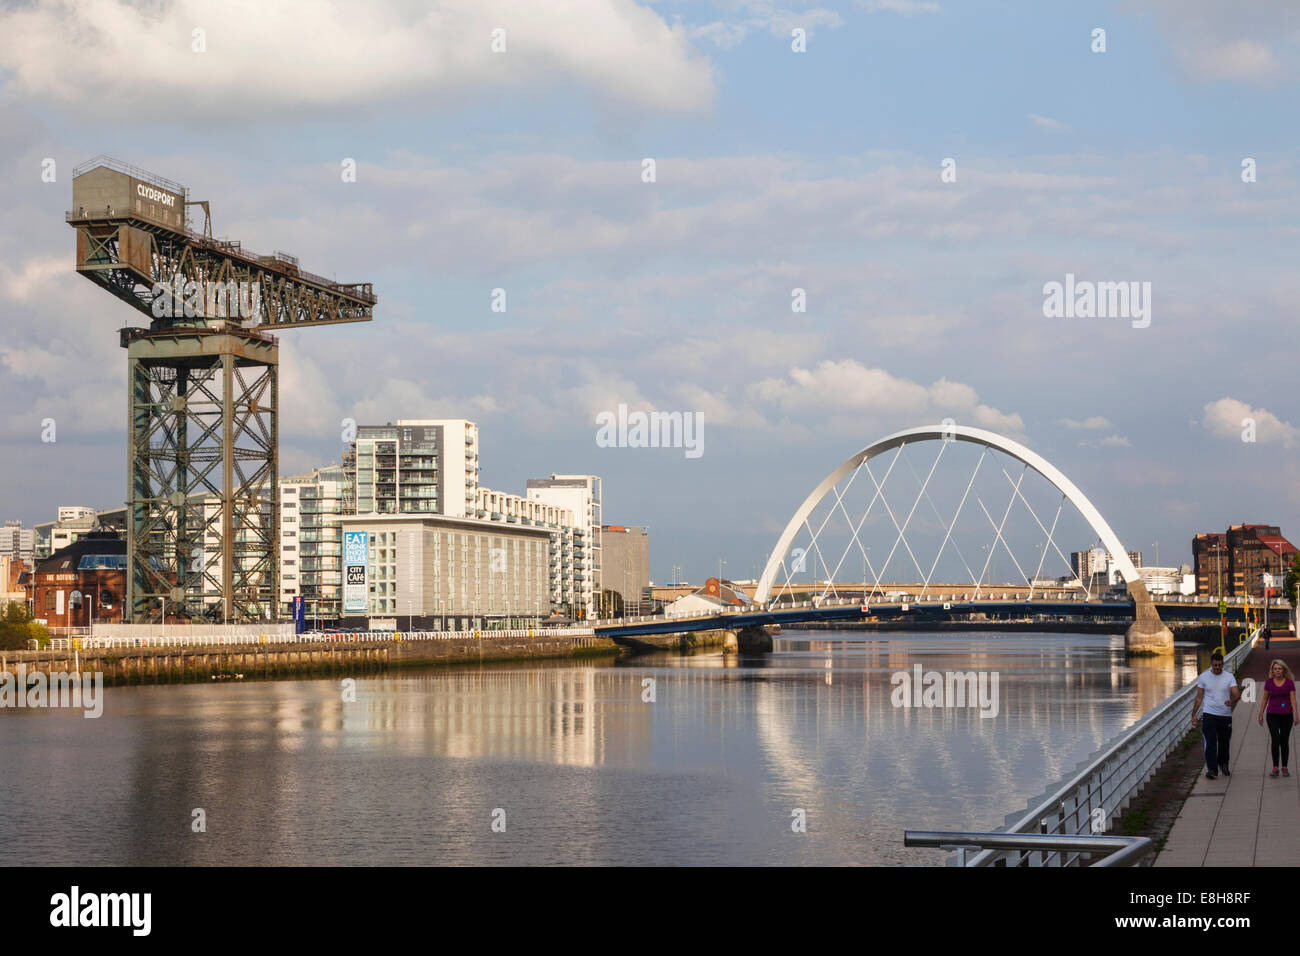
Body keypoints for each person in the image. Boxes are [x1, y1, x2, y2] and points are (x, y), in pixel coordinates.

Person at [1192, 651, 1240, 779]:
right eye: (1215, 665)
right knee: (1211, 742)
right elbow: (1199, 697)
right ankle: (1212, 769)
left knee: (1224, 742)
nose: (1217, 667)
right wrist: (1194, 715)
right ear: (1211, 664)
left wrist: (1232, 700)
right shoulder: (1203, 677)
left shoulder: (1229, 677)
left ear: (1223, 664)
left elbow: (1236, 692)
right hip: (1209, 713)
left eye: (1219, 665)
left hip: (1225, 715)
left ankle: (1223, 763)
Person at [1257, 659, 1297, 777]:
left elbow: (1293, 699)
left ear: (1283, 670)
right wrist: (1260, 713)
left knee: (1284, 740)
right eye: (1275, 669)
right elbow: (1265, 699)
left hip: (1287, 715)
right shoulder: (1269, 682)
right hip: (1272, 715)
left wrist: (1295, 714)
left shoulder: (1289, 682)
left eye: (1279, 668)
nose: (1277, 671)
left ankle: (1284, 767)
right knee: (1275, 739)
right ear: (1272, 671)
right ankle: (1275, 767)